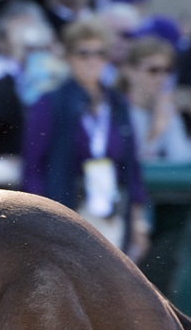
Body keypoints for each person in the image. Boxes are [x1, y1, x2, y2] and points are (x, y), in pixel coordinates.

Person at [22, 18, 151, 262]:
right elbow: (33, 168)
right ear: (68, 57)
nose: (93, 60)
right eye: (84, 53)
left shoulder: (117, 104)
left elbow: (131, 167)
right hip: (67, 214)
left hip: (112, 213)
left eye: (100, 53)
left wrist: (138, 223)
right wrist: (40, 224)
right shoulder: (50, 103)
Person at [120, 35, 191, 164]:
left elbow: (185, 164)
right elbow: (125, 167)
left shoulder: (165, 108)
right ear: (130, 72)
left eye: (167, 70)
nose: (161, 78)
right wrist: (155, 132)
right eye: (153, 70)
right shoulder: (115, 109)